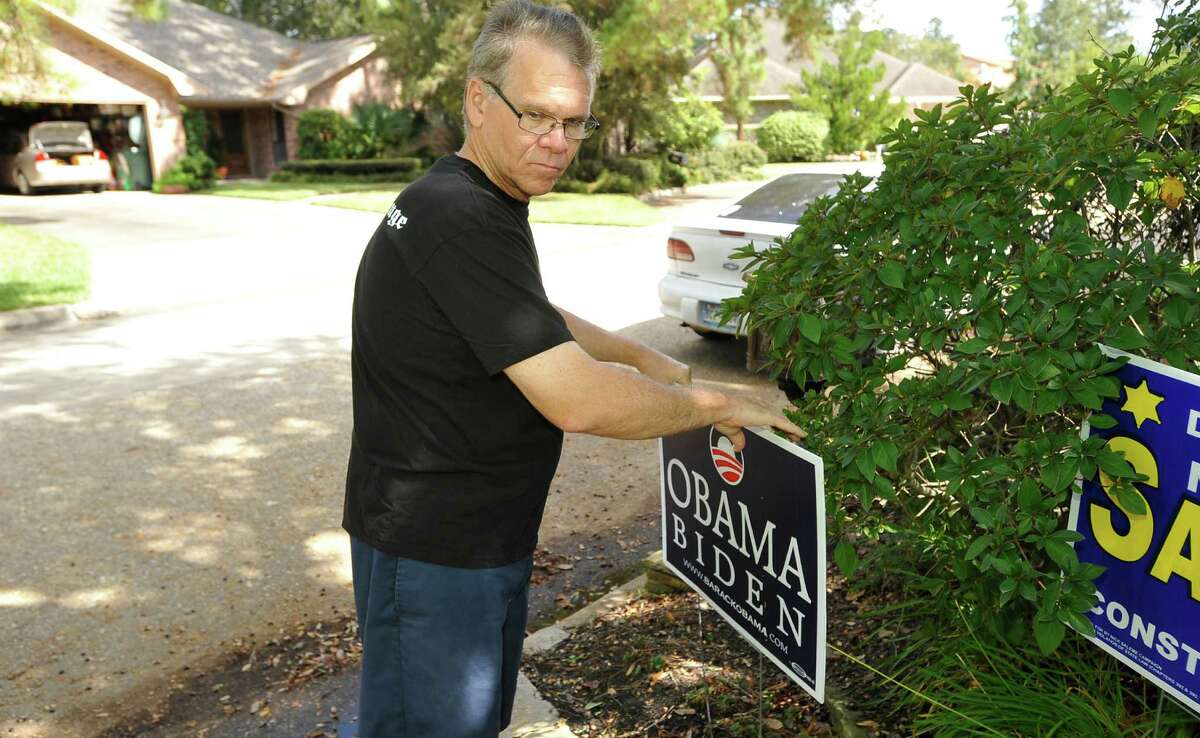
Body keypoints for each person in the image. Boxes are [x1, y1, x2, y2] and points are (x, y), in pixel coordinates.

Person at [342, 2, 804, 736]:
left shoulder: (462, 200)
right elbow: (579, 402)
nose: (557, 143)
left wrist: (644, 355)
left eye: (573, 123)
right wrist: (715, 401)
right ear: (476, 100)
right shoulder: (460, 218)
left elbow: (522, 314)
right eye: (536, 117)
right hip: (436, 552)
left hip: (463, 539)